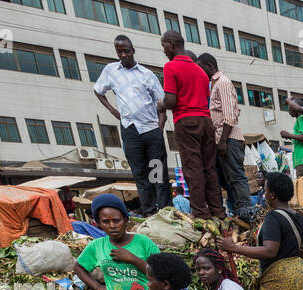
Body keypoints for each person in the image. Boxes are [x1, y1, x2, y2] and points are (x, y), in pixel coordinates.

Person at [94, 36, 171, 215]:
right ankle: (149, 212)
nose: (123, 54)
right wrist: (113, 111)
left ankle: (165, 211)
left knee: (157, 172)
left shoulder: (147, 74)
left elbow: (162, 104)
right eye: (119, 51)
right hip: (130, 130)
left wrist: (160, 128)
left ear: (132, 50)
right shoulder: (111, 71)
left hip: (151, 129)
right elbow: (98, 90)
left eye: (126, 51)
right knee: (140, 174)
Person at [218, 172, 303, 290]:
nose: (264, 194)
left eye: (266, 191)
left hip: (282, 281)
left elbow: (270, 251)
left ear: (272, 195)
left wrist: (233, 247)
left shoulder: (273, 217)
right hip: (302, 274)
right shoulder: (297, 216)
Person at [159, 30, 223, 220]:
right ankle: (218, 211)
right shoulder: (201, 72)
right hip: (206, 121)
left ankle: (200, 213)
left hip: (186, 121)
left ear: (171, 43)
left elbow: (170, 101)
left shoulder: (170, 67)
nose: (164, 51)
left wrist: (161, 104)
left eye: (164, 46)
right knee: (209, 168)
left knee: (192, 168)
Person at [197, 53, 251, 212]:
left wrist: (222, 142)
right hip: (221, 141)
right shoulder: (213, 85)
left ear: (208, 66)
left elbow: (229, 116)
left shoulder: (223, 83)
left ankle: (246, 212)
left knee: (236, 178)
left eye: (200, 68)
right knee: (225, 181)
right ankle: (236, 212)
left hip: (229, 140)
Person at [281, 95, 303, 182]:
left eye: (290, 108)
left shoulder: (301, 119)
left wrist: (288, 135)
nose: (288, 111)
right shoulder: (301, 120)